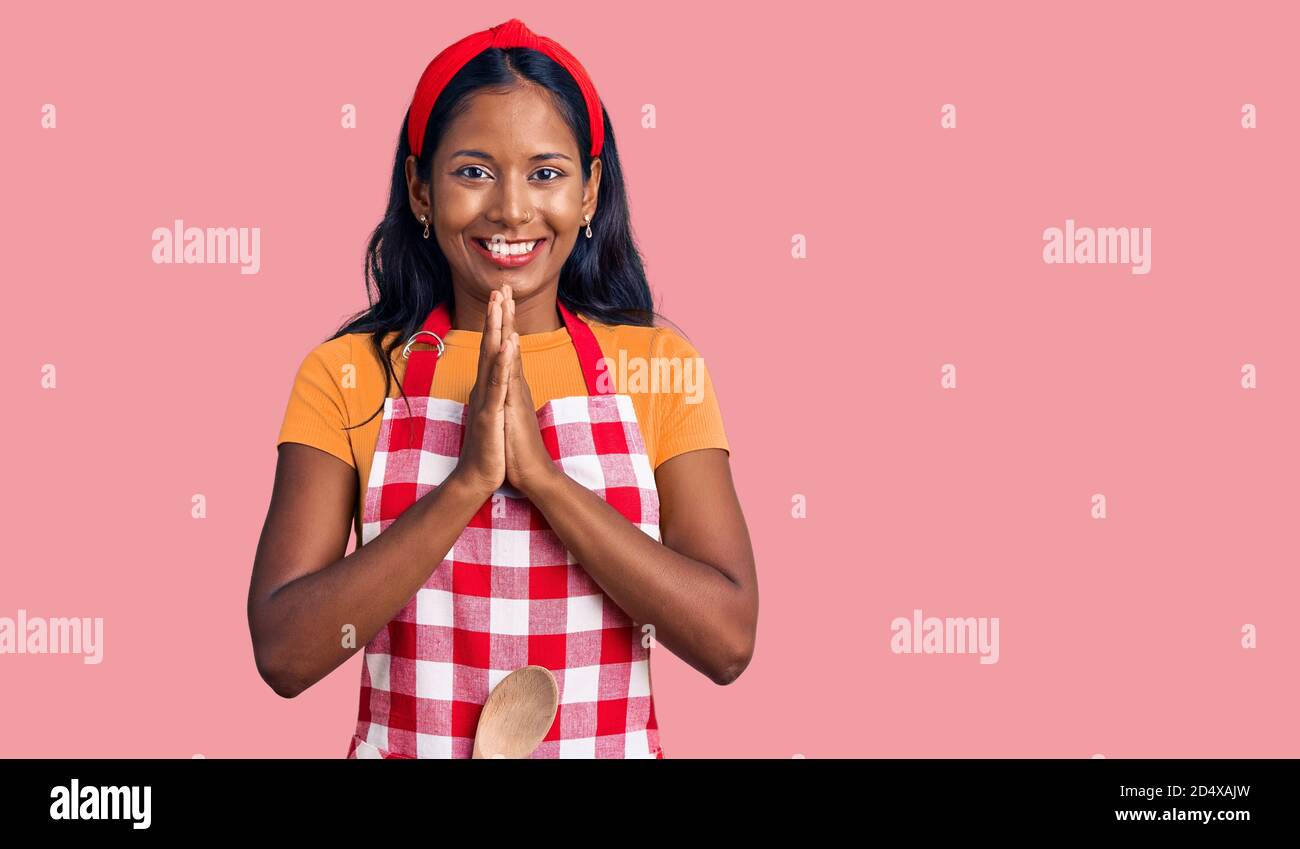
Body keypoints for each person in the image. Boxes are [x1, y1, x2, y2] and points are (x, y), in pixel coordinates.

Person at [247, 18, 757, 758]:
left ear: (589, 193)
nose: (511, 209)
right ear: (421, 191)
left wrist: (544, 480)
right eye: (473, 171)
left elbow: (728, 641)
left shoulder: (656, 364)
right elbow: (284, 654)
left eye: (546, 172)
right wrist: (469, 483)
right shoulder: (349, 373)